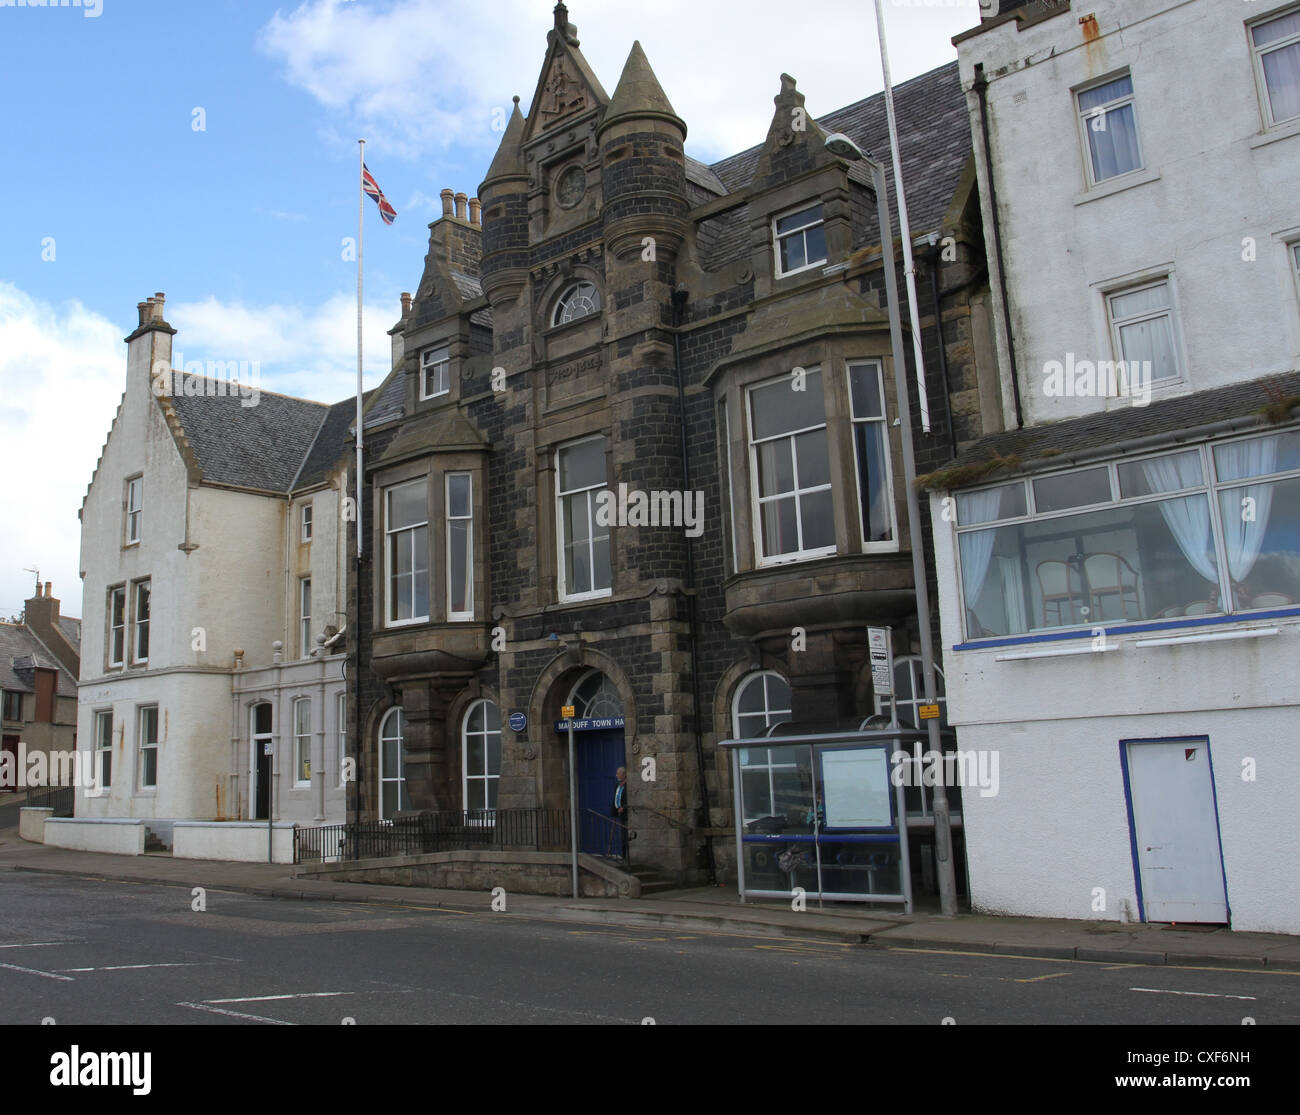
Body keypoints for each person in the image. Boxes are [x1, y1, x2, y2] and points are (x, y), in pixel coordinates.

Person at [610, 766, 628, 858]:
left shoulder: (628, 786)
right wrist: (614, 812)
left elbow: (630, 799)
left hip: (625, 814)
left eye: (618, 773)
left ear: (623, 774)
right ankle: (622, 854)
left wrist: (624, 808)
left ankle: (626, 856)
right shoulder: (617, 785)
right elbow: (616, 798)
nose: (616, 775)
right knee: (621, 836)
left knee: (625, 835)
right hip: (618, 813)